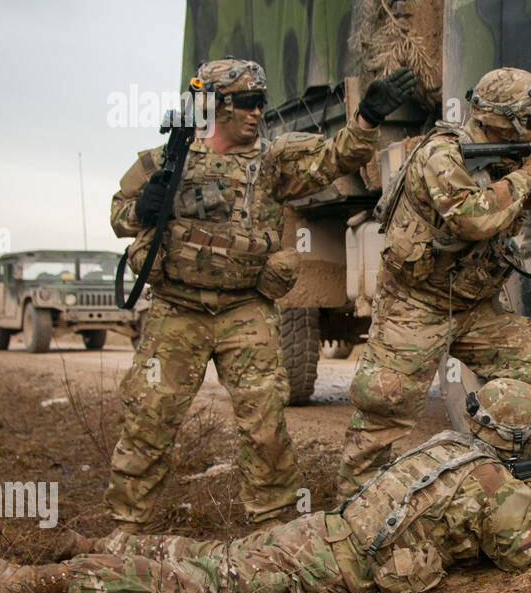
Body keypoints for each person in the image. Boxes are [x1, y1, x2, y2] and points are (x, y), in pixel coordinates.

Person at [107, 58, 417, 531]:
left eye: (261, 103)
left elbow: (335, 157)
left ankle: (275, 530)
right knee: (150, 418)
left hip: (244, 308)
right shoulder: (164, 160)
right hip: (177, 310)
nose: (257, 113)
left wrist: (368, 119)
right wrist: (143, 207)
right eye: (247, 103)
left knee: (265, 422)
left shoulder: (272, 161)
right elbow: (120, 216)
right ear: (215, 106)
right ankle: (126, 526)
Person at [0, 379, 531, 593]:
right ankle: (51, 581)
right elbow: (527, 551)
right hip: (334, 560)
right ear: (518, 436)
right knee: (205, 582)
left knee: (212, 554)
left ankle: (90, 542)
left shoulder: (448, 445)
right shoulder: (490, 482)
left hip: (323, 530)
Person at [337, 67, 531, 496]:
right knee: (385, 407)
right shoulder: (443, 154)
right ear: (497, 119)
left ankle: (483, 480)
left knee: (528, 377)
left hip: (475, 306)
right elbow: (474, 217)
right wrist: (530, 176)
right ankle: (354, 514)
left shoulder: (510, 155)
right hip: (417, 303)